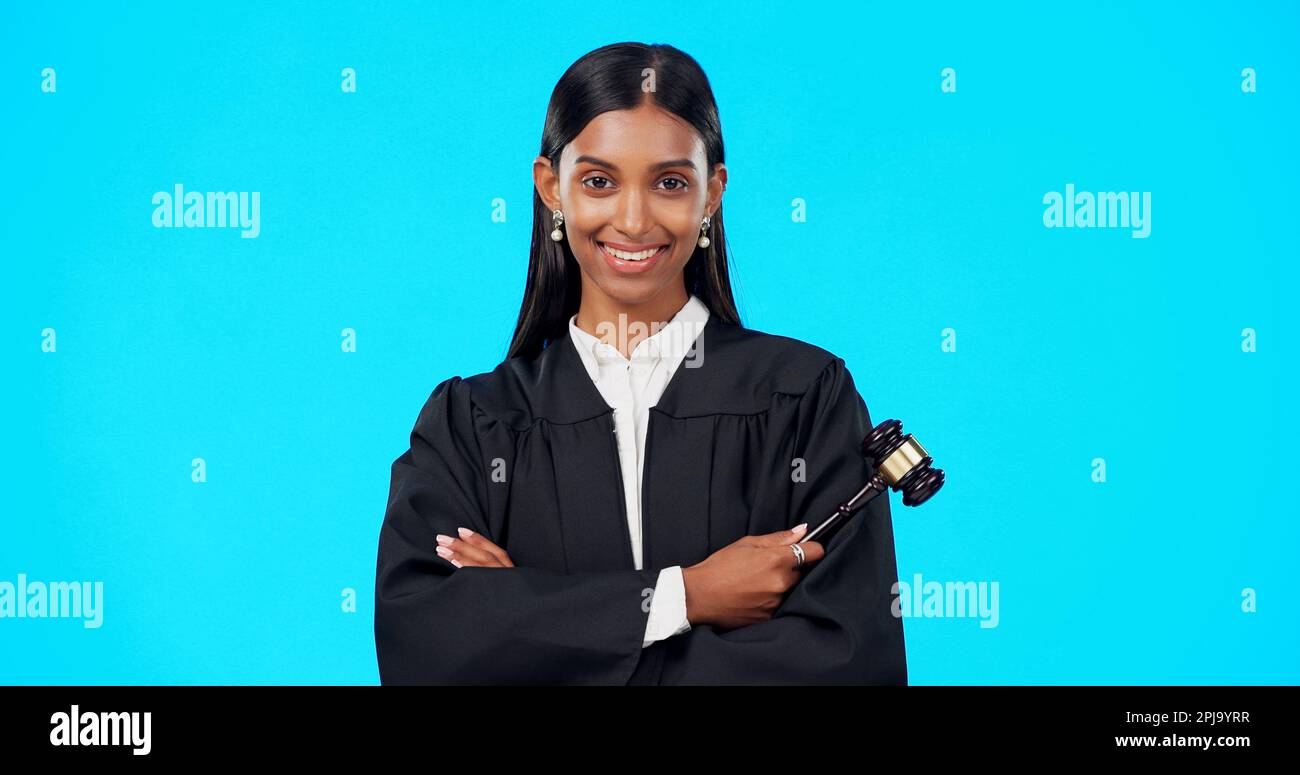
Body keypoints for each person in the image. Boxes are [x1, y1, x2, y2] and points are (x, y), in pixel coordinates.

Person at [374, 42, 907, 685]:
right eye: (599, 181)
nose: (632, 220)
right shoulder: (472, 422)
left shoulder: (804, 399)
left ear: (712, 193)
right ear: (551, 189)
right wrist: (685, 596)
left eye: (670, 183)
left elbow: (846, 666)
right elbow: (427, 648)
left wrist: (535, 626)